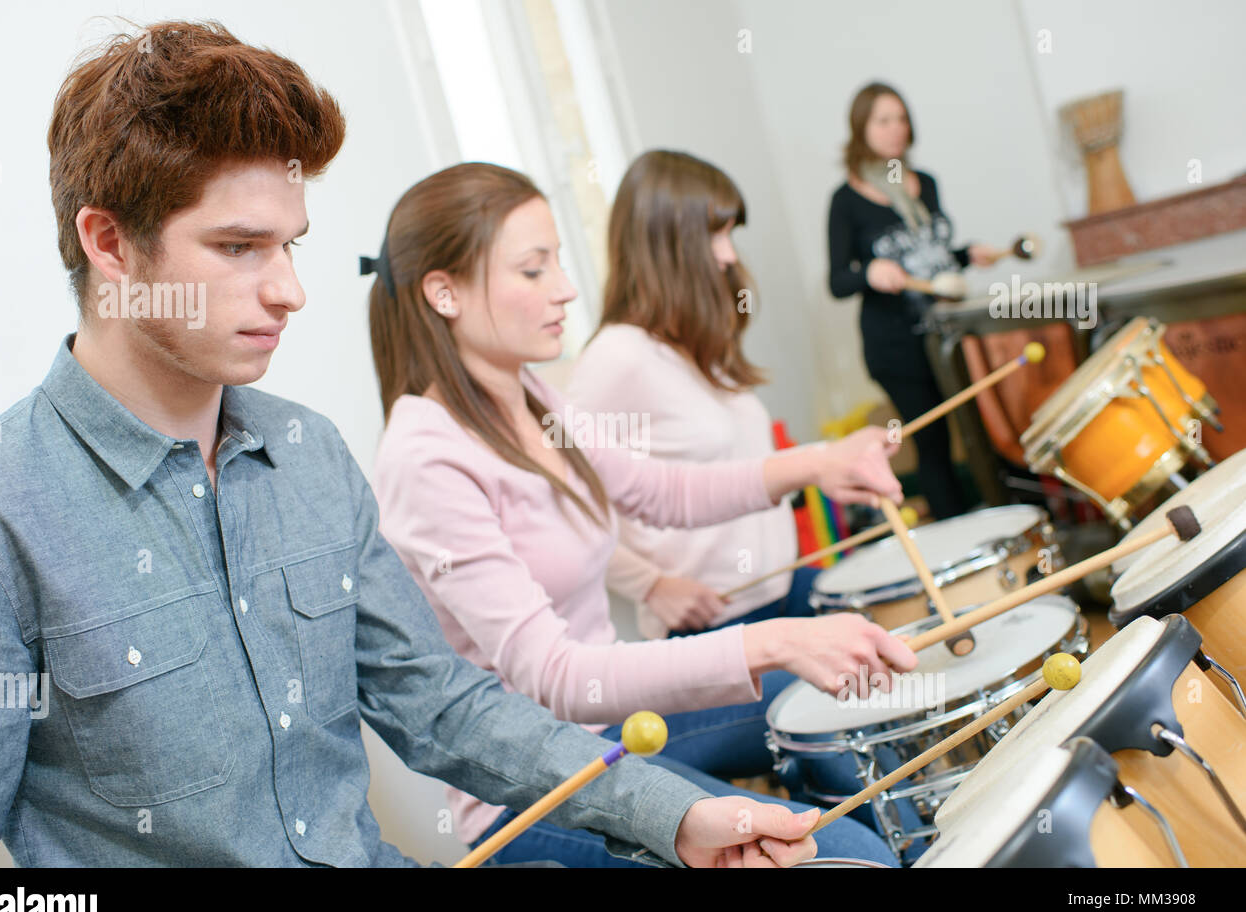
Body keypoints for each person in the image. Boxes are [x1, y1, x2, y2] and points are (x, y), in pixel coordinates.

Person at [0, 19, 833, 869]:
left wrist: (671, 815)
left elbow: (440, 706)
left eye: (289, 244)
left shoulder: (308, 452)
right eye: (239, 247)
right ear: (109, 244)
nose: (291, 289)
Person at [367, 160, 920, 867]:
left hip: (615, 725)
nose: (566, 289)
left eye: (558, 263)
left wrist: (816, 463)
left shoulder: (531, 393)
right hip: (526, 787)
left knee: (856, 723)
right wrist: (770, 641)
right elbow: (555, 674)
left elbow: (662, 492)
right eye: (534, 270)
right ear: (443, 292)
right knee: (834, 851)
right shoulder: (425, 456)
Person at [568, 148, 819, 641]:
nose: (729, 256)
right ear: (668, 244)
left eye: (731, 235)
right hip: (715, 629)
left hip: (782, 591)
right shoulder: (617, 357)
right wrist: (651, 585)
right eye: (716, 235)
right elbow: (557, 502)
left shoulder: (691, 344)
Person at [827, 82, 1000, 520]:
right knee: (934, 443)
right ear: (861, 129)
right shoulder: (846, 201)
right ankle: (958, 539)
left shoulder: (928, 185)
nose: (895, 129)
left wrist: (964, 255)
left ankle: (1003, 519)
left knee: (982, 428)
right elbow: (838, 280)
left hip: (945, 334)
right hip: (896, 346)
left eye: (901, 118)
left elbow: (931, 263)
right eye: (883, 120)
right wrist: (869, 272)